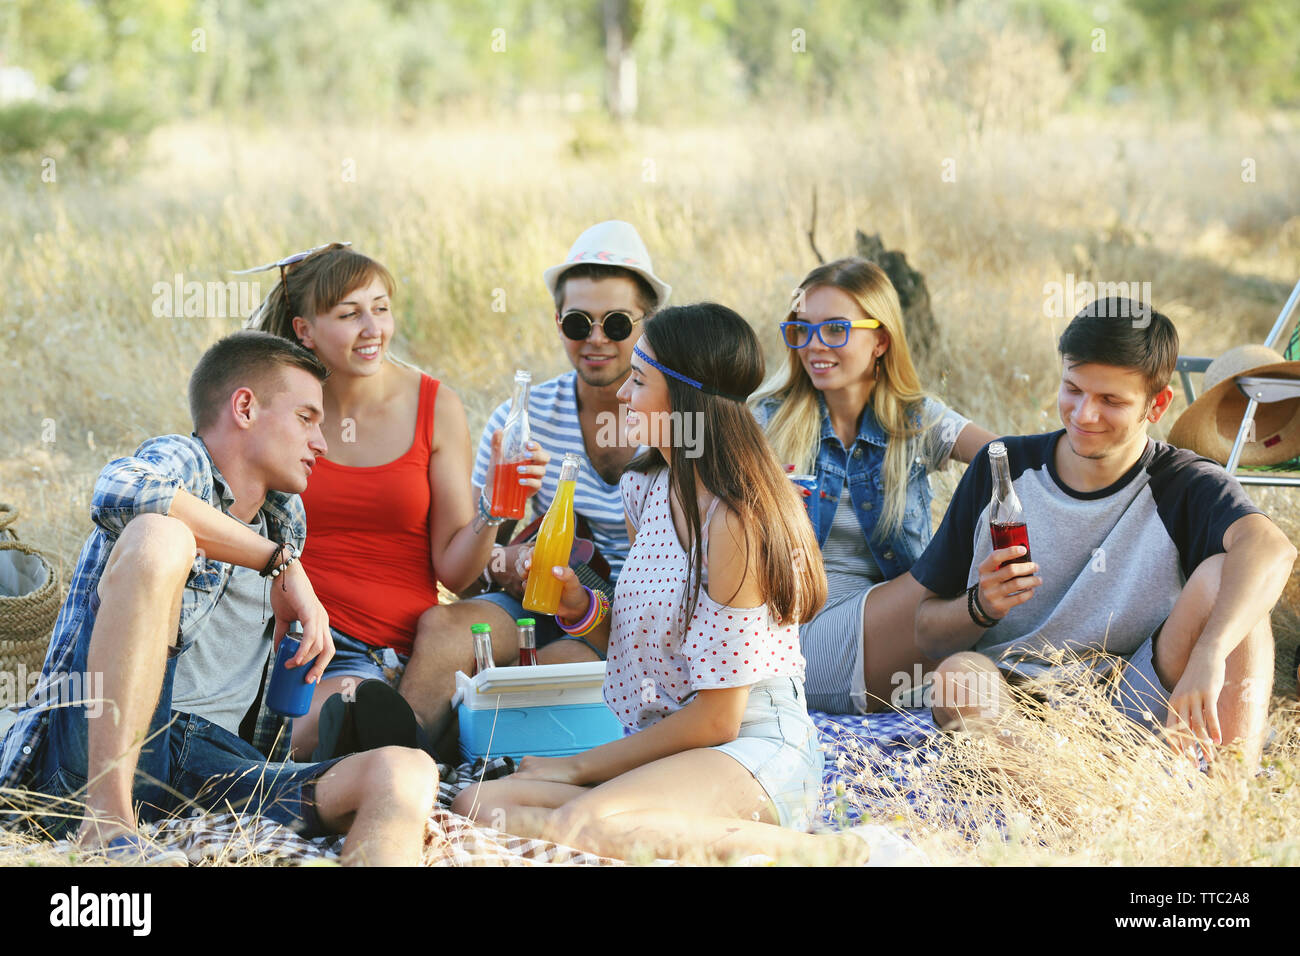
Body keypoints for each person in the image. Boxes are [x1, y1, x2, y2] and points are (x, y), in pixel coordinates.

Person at [452, 303, 889, 865]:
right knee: (479, 802)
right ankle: (632, 825)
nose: (625, 396)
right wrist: (583, 606)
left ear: (684, 399)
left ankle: (839, 853)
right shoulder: (647, 488)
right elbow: (650, 652)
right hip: (671, 747)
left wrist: (578, 766)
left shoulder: (734, 521)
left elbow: (718, 716)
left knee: (581, 822)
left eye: (639, 378)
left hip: (750, 744)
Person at [0, 331, 437, 865]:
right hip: (88, 757)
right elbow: (121, 488)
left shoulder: (286, 517)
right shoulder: (185, 460)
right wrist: (277, 562)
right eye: (306, 418)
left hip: (208, 766)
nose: (322, 442)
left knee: (406, 769)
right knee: (161, 536)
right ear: (245, 408)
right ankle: (108, 827)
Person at [910, 298, 1296, 766]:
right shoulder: (1003, 467)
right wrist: (981, 605)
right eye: (1073, 389)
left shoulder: (1183, 482)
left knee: (1233, 581)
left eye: (1111, 400)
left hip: (1134, 700)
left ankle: (1230, 801)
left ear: (1157, 405)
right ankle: (1078, 798)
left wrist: (1211, 652)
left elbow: (1273, 549)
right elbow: (927, 635)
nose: (1084, 414)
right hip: (1010, 700)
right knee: (956, 676)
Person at [248, 243, 549, 760]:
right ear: (305, 330)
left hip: (398, 649)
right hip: (304, 636)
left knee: (340, 727)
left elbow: (453, 574)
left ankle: (396, 737)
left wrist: (494, 510)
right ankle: (415, 743)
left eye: (381, 308)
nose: (373, 329)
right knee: (288, 740)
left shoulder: (435, 405)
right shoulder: (279, 407)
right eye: (349, 314)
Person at [401, 221, 670, 750]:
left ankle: (461, 751)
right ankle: (386, 762)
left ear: (648, 324)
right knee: (443, 628)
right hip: (543, 602)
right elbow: (471, 576)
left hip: (636, 619)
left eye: (616, 323)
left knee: (546, 669)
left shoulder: (675, 417)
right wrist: (505, 551)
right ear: (557, 323)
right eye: (577, 322)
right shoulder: (524, 418)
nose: (596, 340)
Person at [751, 258, 996, 714]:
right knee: (969, 584)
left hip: (895, 640)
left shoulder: (915, 419)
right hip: (800, 641)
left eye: (836, 329)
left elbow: (1007, 460)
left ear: (880, 340)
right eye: (802, 329)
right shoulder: (766, 422)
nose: (815, 345)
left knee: (995, 586)